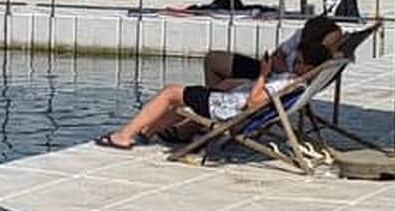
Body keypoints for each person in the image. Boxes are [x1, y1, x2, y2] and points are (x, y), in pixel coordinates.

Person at [96, 40, 333, 149]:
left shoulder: (290, 83)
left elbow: (253, 102)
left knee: (170, 93)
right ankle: (148, 131)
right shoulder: (298, 84)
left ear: (308, 66)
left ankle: (123, 136)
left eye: (299, 61)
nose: (295, 63)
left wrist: (263, 73)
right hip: (229, 102)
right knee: (184, 97)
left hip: (226, 109)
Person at [203, 13, 343, 90]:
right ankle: (215, 108)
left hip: (273, 79)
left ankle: (212, 109)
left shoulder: (321, 58)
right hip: (272, 71)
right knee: (212, 58)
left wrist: (285, 73)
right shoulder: (303, 38)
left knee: (223, 78)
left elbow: (279, 58)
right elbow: (277, 55)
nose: (335, 42)